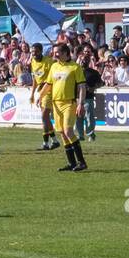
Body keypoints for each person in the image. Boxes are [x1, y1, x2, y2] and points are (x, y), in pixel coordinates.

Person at [44, 43, 88, 172]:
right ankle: (72, 163)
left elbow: (81, 87)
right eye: (54, 52)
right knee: (62, 133)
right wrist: (39, 96)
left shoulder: (75, 67)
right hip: (56, 103)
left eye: (57, 52)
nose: (54, 54)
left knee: (68, 131)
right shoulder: (54, 66)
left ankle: (82, 162)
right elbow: (48, 84)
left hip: (69, 103)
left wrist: (80, 103)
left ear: (65, 53)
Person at [29, 43, 59, 150]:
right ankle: (54, 141)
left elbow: (53, 78)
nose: (34, 54)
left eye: (36, 52)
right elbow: (35, 79)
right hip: (40, 92)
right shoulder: (32, 62)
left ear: (41, 51)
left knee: (44, 116)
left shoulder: (48, 62)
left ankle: (46, 143)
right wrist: (32, 94)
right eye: (32, 52)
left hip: (49, 91)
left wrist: (44, 84)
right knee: (45, 118)